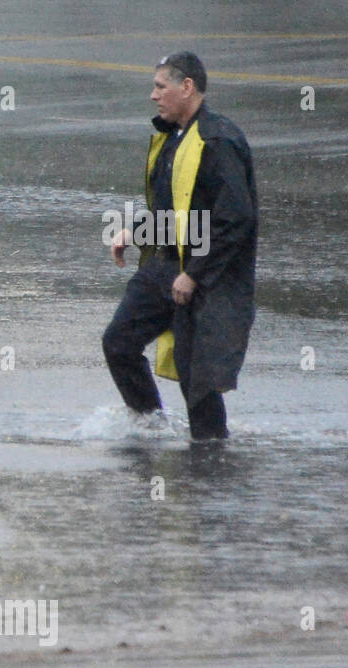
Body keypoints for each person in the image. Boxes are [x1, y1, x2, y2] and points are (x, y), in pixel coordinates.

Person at [103, 52, 257, 440]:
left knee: (196, 377)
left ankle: (209, 456)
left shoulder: (218, 140)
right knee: (119, 342)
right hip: (166, 267)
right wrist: (137, 233)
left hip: (204, 275)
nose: (154, 96)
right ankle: (151, 426)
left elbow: (235, 219)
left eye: (161, 86)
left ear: (187, 87)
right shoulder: (174, 137)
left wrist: (194, 274)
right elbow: (179, 210)